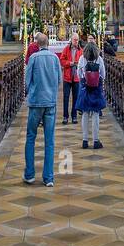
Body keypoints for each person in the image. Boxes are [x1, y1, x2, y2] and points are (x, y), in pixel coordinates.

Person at [23, 33, 62, 186]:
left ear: (37, 44)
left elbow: (26, 82)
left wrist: (32, 91)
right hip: (50, 103)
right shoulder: (54, 58)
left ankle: (30, 174)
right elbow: (59, 80)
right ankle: (49, 178)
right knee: (50, 141)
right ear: (48, 44)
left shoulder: (33, 58)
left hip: (35, 103)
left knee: (31, 137)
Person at [77, 39, 107, 150]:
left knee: (85, 113)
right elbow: (103, 75)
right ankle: (95, 140)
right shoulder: (99, 59)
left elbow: (79, 74)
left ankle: (85, 140)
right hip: (96, 88)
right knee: (95, 114)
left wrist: (84, 79)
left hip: (85, 88)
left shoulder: (82, 58)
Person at [59, 32, 82, 124]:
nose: (76, 41)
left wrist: (78, 64)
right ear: (71, 40)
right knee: (66, 97)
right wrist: (70, 63)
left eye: (77, 40)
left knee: (75, 98)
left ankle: (74, 116)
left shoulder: (81, 50)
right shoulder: (66, 49)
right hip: (67, 77)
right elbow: (62, 60)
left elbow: (82, 62)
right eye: (74, 40)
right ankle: (65, 116)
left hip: (76, 77)